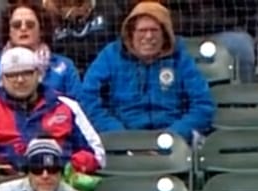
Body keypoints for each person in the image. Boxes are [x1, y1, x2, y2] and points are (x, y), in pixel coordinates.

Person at [0, 45, 104, 183]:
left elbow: (97, 154)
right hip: (6, 186)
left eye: (27, 73)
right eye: (12, 75)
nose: (20, 80)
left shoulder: (67, 105)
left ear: (39, 74)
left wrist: (67, 166)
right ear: (2, 79)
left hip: (62, 182)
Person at [78, 2, 214, 141]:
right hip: (122, 138)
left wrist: (173, 135)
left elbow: (202, 106)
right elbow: (88, 98)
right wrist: (115, 132)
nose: (148, 36)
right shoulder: (111, 55)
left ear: (165, 33)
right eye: (142, 30)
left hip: (172, 140)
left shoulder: (180, 58)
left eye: (154, 30)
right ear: (131, 33)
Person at [0, 2, 82, 97]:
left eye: (30, 25)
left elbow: (79, 106)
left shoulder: (65, 67)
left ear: (41, 30)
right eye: (16, 25)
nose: (23, 28)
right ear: (8, 32)